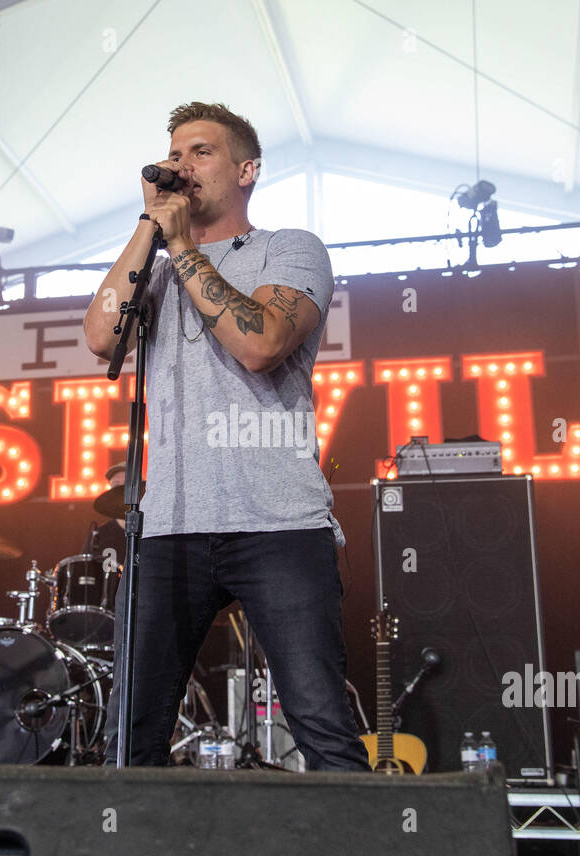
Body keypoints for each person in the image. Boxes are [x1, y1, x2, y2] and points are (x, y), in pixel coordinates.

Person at [83, 101, 369, 771]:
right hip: (169, 524)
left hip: (279, 523)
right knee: (131, 740)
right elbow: (100, 337)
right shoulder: (153, 268)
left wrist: (182, 247)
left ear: (247, 170)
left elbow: (262, 343)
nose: (182, 165)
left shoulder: (289, 249)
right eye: (175, 153)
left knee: (324, 731)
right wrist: (150, 228)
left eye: (200, 152)